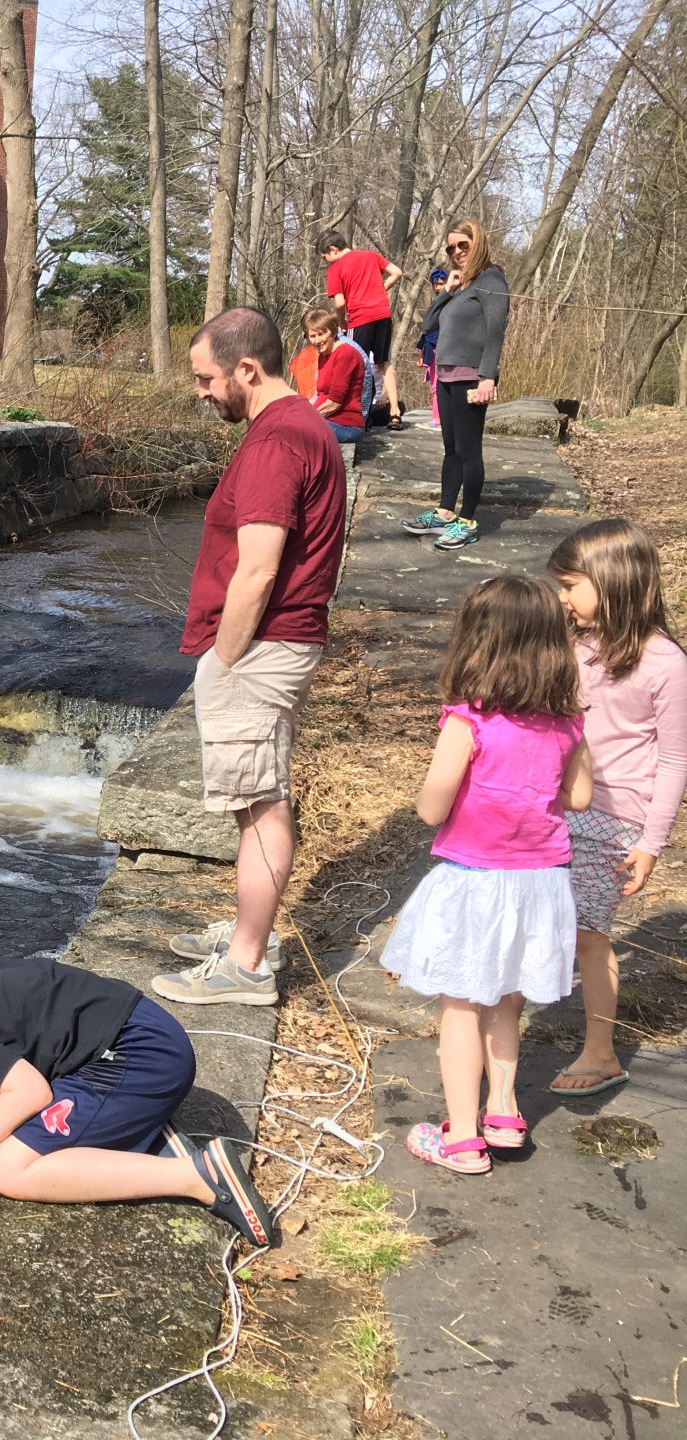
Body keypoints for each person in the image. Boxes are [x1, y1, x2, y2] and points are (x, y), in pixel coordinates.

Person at [152, 308, 348, 1007]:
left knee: (261, 806)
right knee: (258, 801)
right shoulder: (300, 428)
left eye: (207, 379)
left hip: (261, 647)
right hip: (282, 641)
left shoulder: (276, 443)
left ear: (246, 369)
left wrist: (224, 658)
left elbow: (259, 569)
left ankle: (246, 964)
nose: (202, 393)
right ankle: (247, 930)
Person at [0, 950, 278, 1248]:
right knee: (10, 1129)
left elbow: (30, 1091)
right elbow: (24, 1041)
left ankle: (199, 1177)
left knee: (7, 1168)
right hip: (149, 1032)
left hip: (139, 1060)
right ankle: (142, 1130)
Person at [380, 576, 592, 1172]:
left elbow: (430, 808)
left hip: (476, 879)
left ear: (478, 644)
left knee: (461, 1007)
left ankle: (462, 1138)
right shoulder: (568, 724)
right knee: (507, 1001)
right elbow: (577, 798)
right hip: (542, 880)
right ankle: (503, 1113)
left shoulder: (466, 720)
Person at [546, 520, 687, 1097]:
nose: (561, 597)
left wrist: (650, 843)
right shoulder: (572, 643)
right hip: (553, 801)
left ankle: (601, 1052)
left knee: (588, 932)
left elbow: (675, 762)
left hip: (614, 818)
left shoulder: (666, 664)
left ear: (614, 582)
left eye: (571, 584)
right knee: (540, 917)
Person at [401, 221, 511, 552]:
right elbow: (429, 322)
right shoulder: (462, 285)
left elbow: (495, 332)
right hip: (446, 376)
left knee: (468, 450)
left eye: (463, 245)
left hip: (470, 376)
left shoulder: (492, 280)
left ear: (478, 242)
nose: (457, 252)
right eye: (451, 248)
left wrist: (487, 376)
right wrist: (447, 289)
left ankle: (467, 522)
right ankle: (445, 512)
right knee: (450, 449)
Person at [321, 230, 405, 429]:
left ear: (333, 249)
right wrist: (380, 289)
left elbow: (340, 303)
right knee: (384, 361)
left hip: (360, 318)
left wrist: (341, 323)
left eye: (325, 257)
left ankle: (361, 415)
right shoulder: (370, 255)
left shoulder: (335, 269)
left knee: (358, 364)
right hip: (383, 313)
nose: (326, 262)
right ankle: (394, 412)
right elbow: (397, 272)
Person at [302, 309, 366, 444]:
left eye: (321, 334)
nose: (317, 340)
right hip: (327, 421)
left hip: (346, 426)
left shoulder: (345, 354)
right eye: (312, 336)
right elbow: (320, 395)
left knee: (297, 430)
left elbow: (334, 403)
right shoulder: (323, 356)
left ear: (333, 332)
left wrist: (308, 418)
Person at [414, 268, 449, 428]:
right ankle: (438, 418)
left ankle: (438, 420)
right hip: (432, 347)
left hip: (443, 347)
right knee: (435, 384)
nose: (438, 288)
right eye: (436, 284)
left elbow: (431, 327)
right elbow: (428, 330)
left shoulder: (449, 302)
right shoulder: (436, 303)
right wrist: (423, 352)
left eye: (442, 284)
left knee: (438, 384)